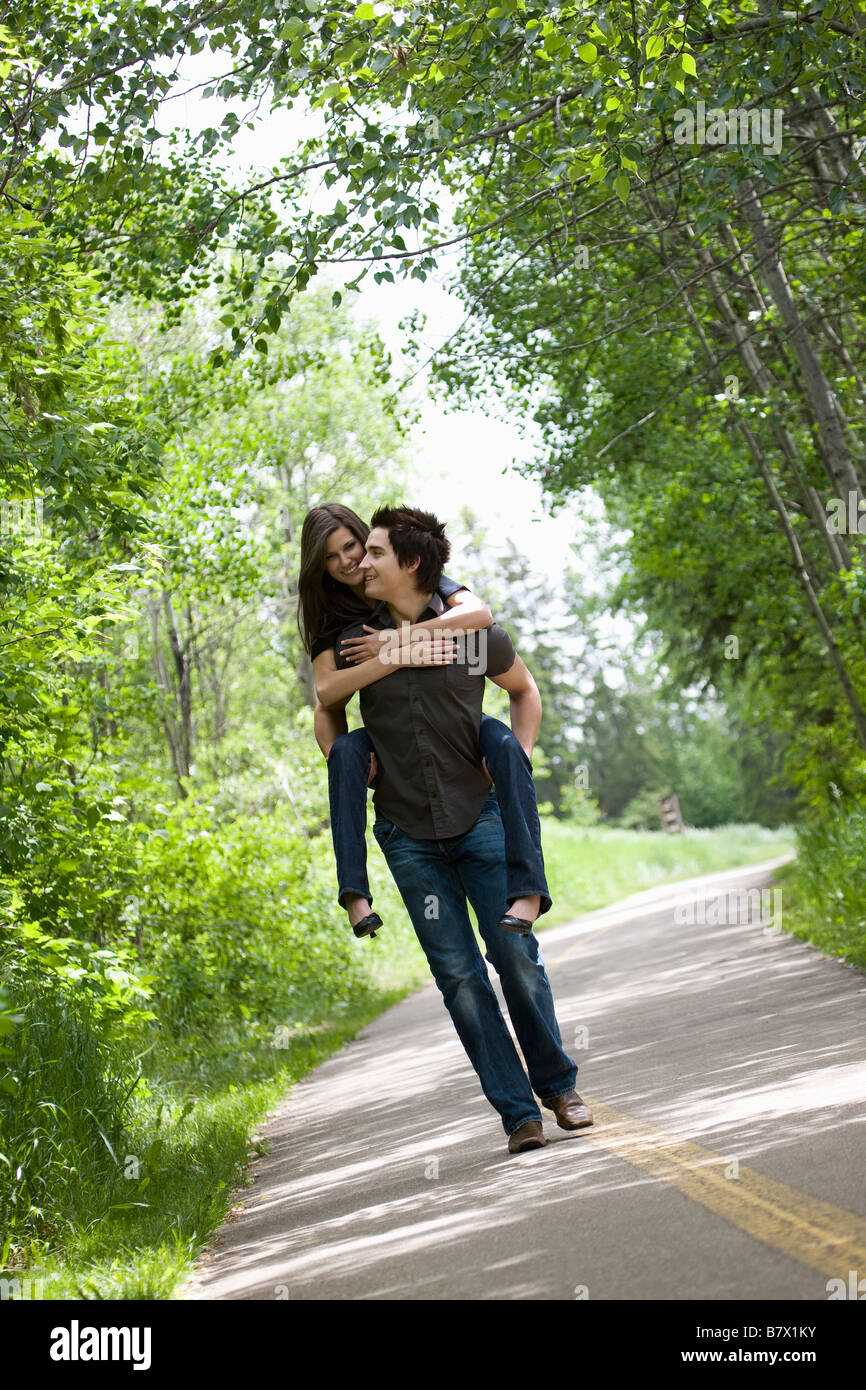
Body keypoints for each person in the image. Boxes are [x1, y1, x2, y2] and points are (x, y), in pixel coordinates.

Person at [330, 504, 593, 1155]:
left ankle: (557, 1085)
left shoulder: (471, 636)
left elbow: (524, 691)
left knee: (511, 953)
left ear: (412, 565)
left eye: (377, 552)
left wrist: (515, 764)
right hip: (407, 834)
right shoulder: (355, 640)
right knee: (459, 976)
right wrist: (351, 763)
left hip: (479, 819)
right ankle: (516, 1113)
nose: (363, 562)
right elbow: (329, 707)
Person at [297, 503, 551, 942]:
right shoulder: (337, 623)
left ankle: (530, 892)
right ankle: (355, 895)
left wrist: (401, 638)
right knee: (345, 753)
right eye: (331, 559)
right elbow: (327, 700)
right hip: (396, 771)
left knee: (506, 747)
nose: (350, 563)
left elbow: (480, 618)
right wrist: (394, 659)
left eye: (354, 548)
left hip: (461, 745)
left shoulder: (431, 587)